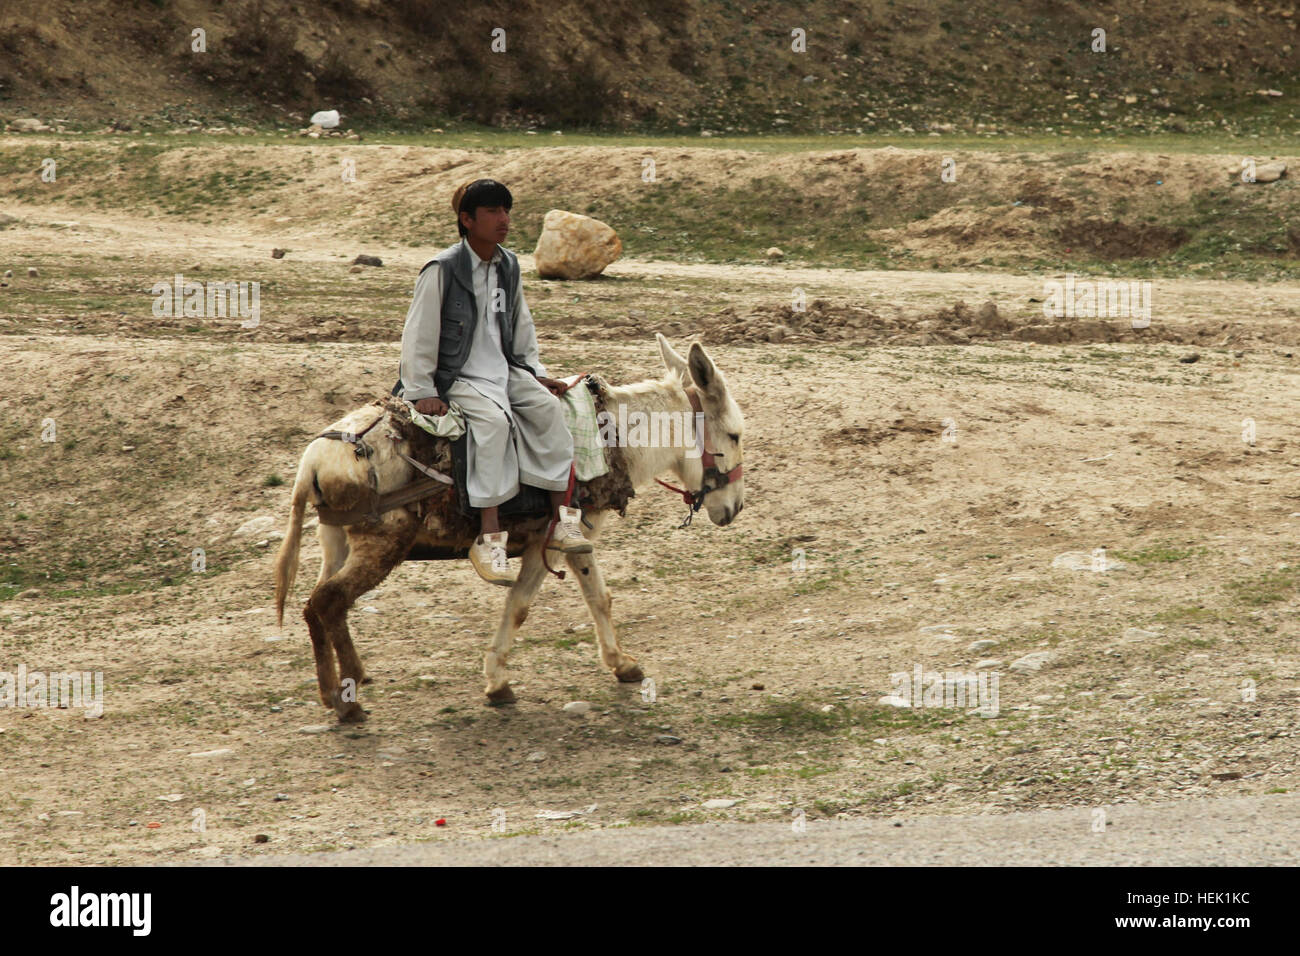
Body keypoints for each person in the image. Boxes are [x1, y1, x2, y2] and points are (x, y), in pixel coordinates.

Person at [392, 179, 590, 586]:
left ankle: (562, 520)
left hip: (504, 370)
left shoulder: (509, 265)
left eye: (506, 211)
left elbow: (520, 327)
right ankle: (488, 536)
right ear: (467, 220)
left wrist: (534, 374)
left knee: (549, 409)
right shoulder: (442, 269)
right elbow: (420, 333)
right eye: (493, 212)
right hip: (459, 375)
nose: (504, 220)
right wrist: (423, 391)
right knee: (494, 423)